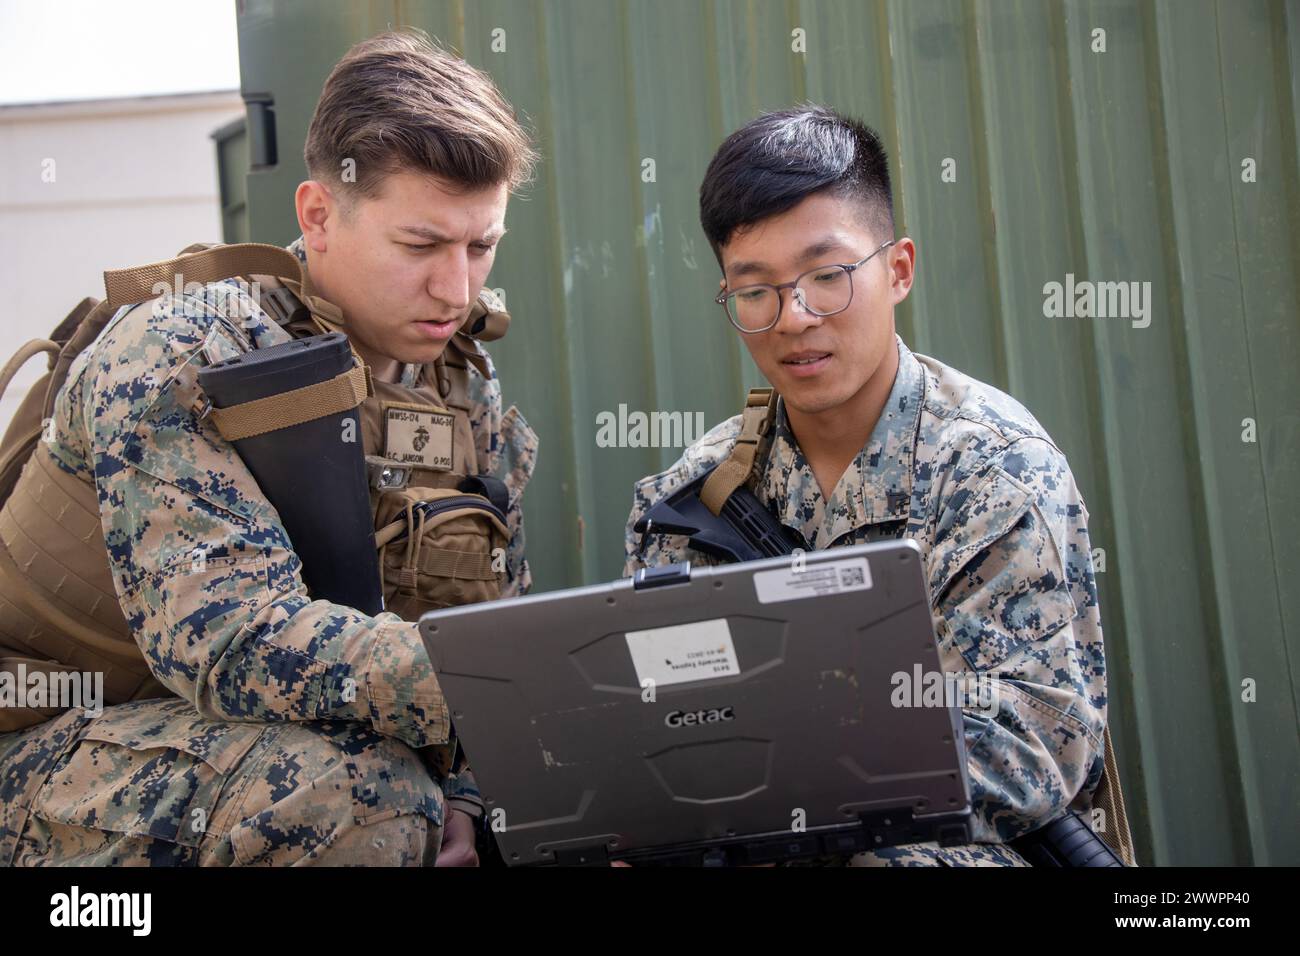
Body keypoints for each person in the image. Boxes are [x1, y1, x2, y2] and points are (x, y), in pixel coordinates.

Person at [0, 29, 537, 867]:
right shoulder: (186, 353)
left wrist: (468, 797)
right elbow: (233, 643)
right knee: (357, 800)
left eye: (482, 246)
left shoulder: (458, 382)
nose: (458, 288)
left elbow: (483, 610)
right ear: (319, 215)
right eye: (422, 246)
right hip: (46, 744)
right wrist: (519, 678)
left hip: (257, 743)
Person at [625, 106, 1107, 866]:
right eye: (756, 291)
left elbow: (1034, 737)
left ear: (898, 270)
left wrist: (799, 785)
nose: (794, 317)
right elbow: (663, 709)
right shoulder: (696, 496)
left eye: (828, 276)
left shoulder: (992, 468)